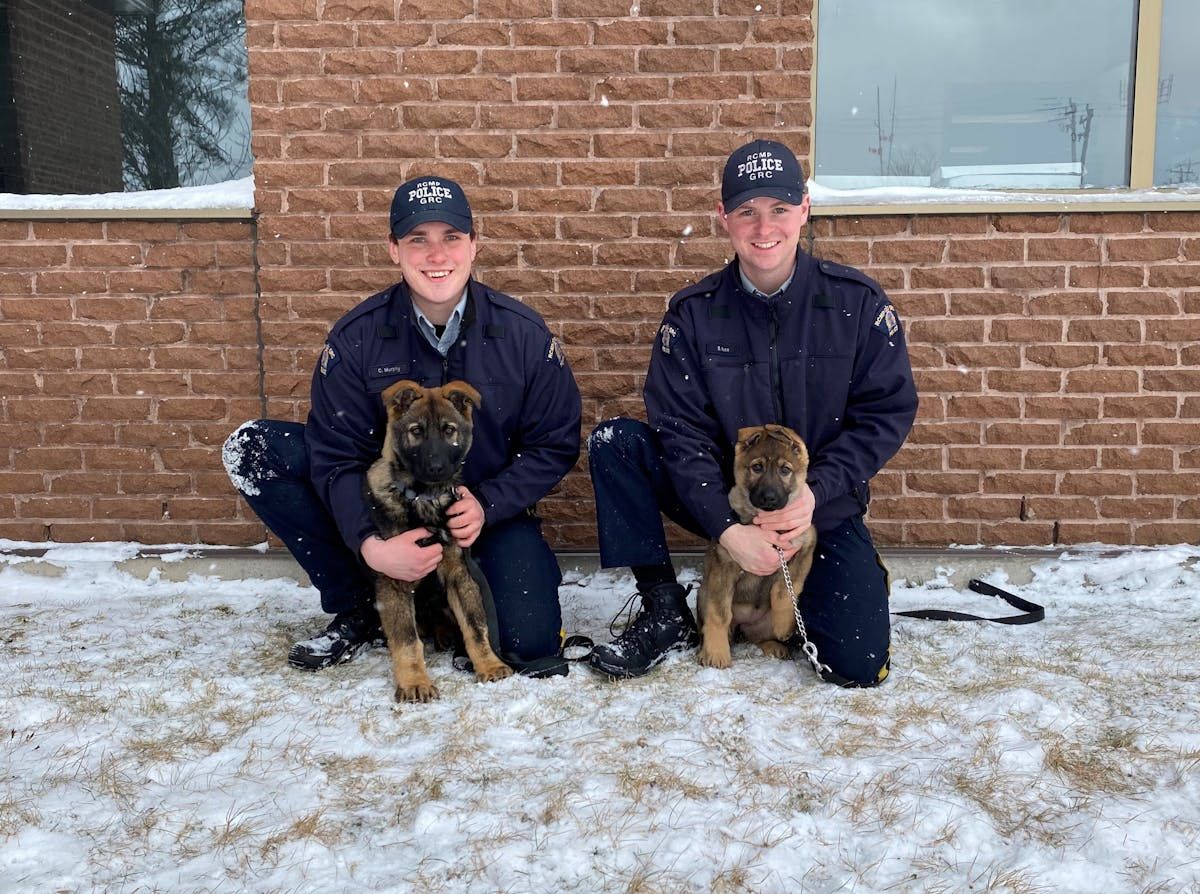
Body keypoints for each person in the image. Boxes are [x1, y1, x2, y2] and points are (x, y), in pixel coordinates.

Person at [586, 139, 918, 685]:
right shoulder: (693, 316)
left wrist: (818, 492)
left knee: (856, 666)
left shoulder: (855, 304)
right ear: (724, 218)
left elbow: (886, 412)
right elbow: (680, 430)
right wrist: (725, 526)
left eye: (779, 209)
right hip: (720, 497)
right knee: (617, 443)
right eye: (747, 211)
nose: (764, 228)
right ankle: (665, 608)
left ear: (804, 209)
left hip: (819, 509)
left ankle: (812, 596)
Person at [224, 175, 582, 673]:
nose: (437, 256)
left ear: (474, 245)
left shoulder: (522, 335)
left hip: (481, 516)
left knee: (530, 644)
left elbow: (555, 443)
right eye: (418, 240)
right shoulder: (357, 339)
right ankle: (361, 603)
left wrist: (490, 504)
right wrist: (371, 544)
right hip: (386, 512)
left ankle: (453, 597)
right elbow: (335, 457)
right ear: (394, 250)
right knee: (257, 449)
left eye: (451, 238)